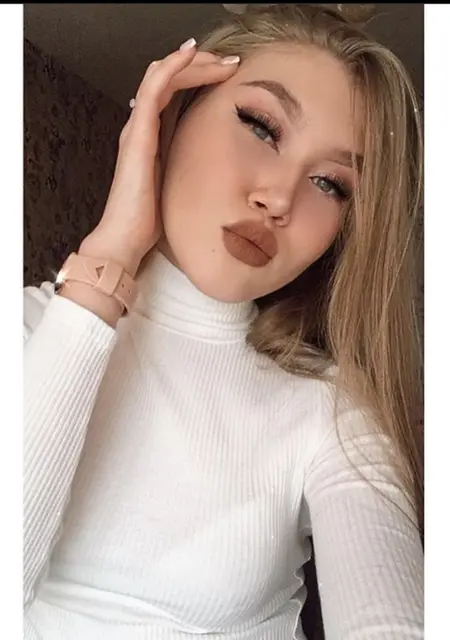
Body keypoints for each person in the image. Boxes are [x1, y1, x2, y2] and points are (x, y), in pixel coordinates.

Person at [23, 4, 424, 639]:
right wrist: (106, 261)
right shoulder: (33, 328)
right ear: (171, 117)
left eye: (331, 183)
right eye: (261, 127)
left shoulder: (331, 410)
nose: (279, 198)